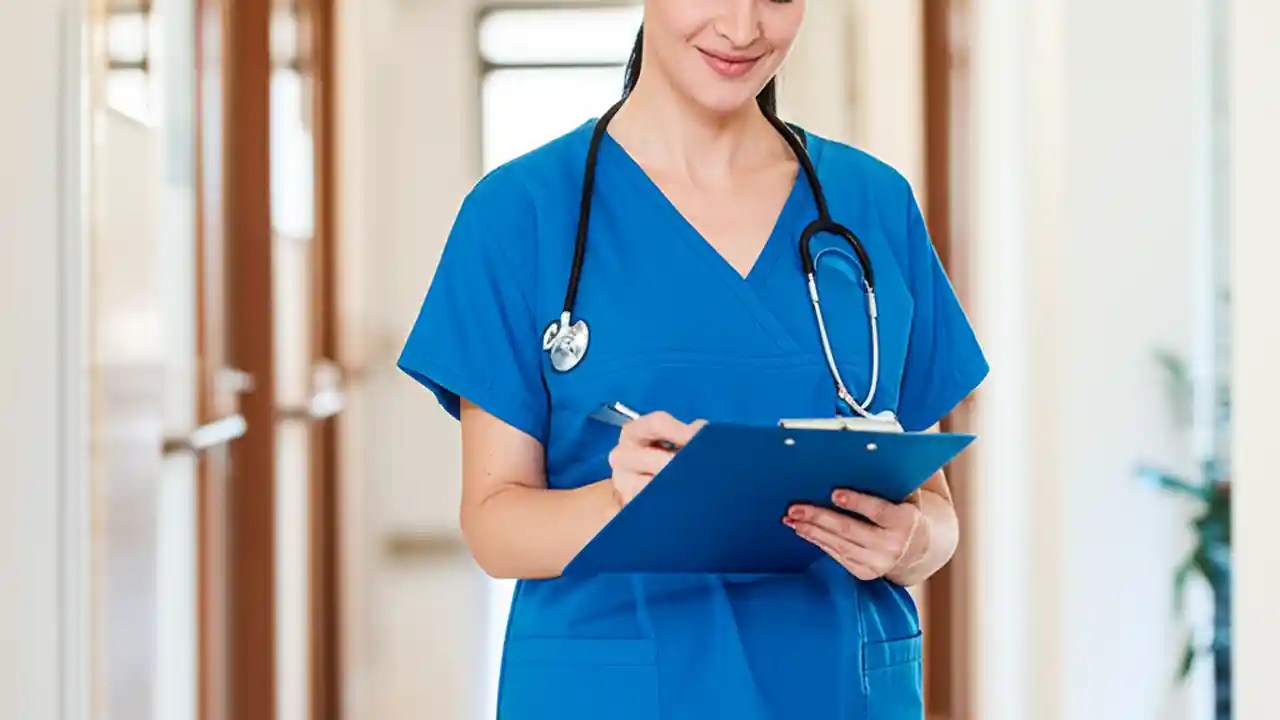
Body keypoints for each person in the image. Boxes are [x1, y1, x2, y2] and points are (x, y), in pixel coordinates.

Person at [398, 1, 988, 717]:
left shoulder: (871, 203)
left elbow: (938, 515)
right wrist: (622, 500)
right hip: (614, 689)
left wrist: (911, 542)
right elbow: (494, 526)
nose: (742, 30)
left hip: (839, 685)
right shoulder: (519, 213)